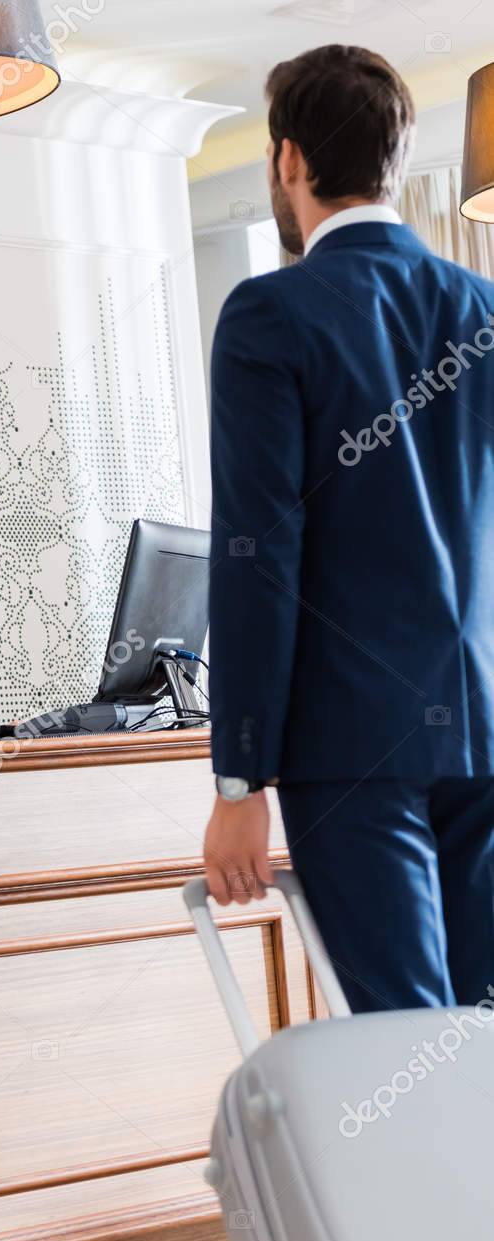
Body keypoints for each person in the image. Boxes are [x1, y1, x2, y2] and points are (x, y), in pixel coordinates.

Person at [202, 43, 494, 1014]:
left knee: (410, 1034)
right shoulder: (483, 308)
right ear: (398, 162)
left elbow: (258, 550)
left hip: (353, 747)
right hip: (486, 727)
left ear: (287, 159)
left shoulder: (268, 315)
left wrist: (240, 775)